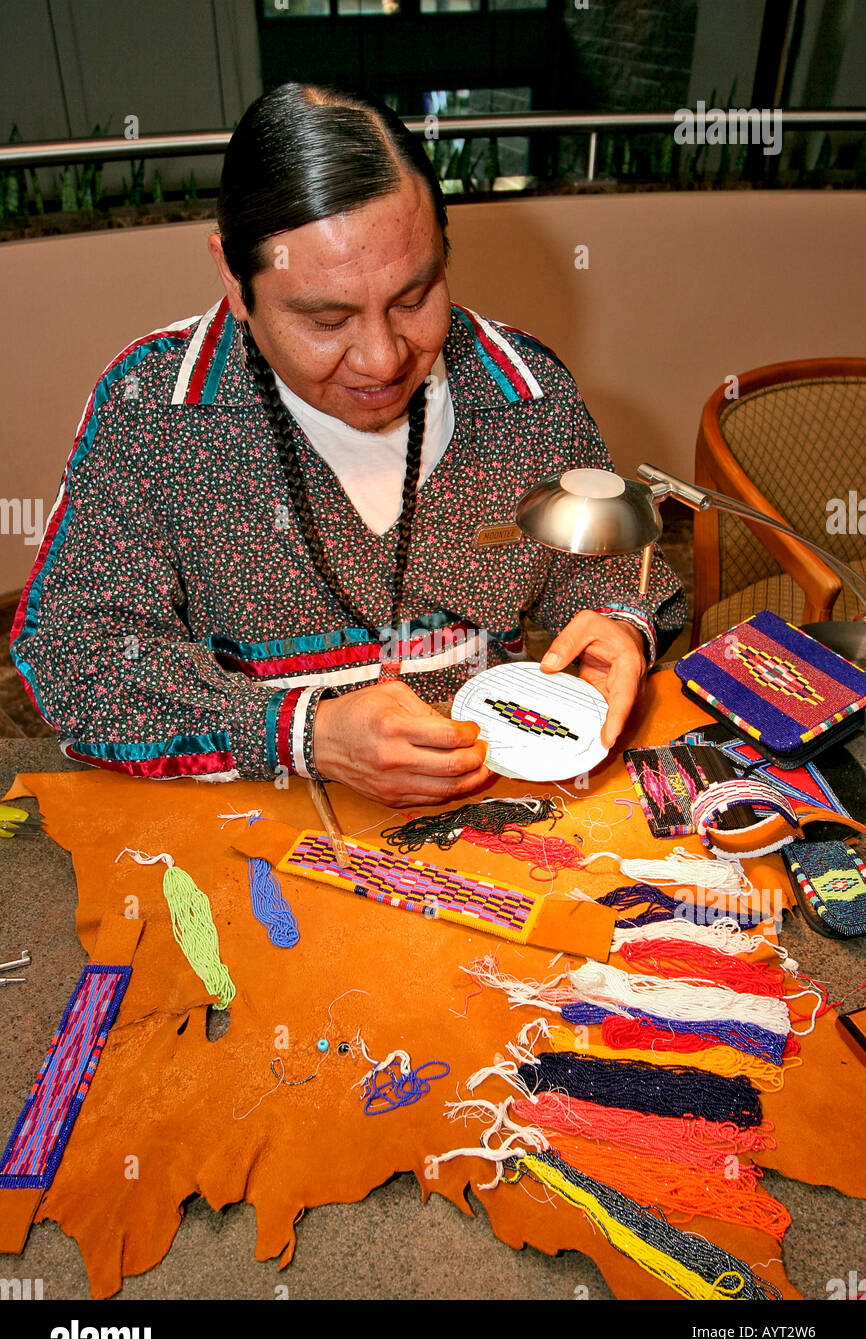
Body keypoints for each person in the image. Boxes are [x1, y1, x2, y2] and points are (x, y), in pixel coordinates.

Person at [11, 82, 686, 806]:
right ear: (234, 281)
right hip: (259, 819)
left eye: (414, 298)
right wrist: (306, 734)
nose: (383, 359)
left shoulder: (524, 394)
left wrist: (621, 629)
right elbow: (75, 658)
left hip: (492, 811)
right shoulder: (156, 412)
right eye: (327, 320)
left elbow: (611, 579)